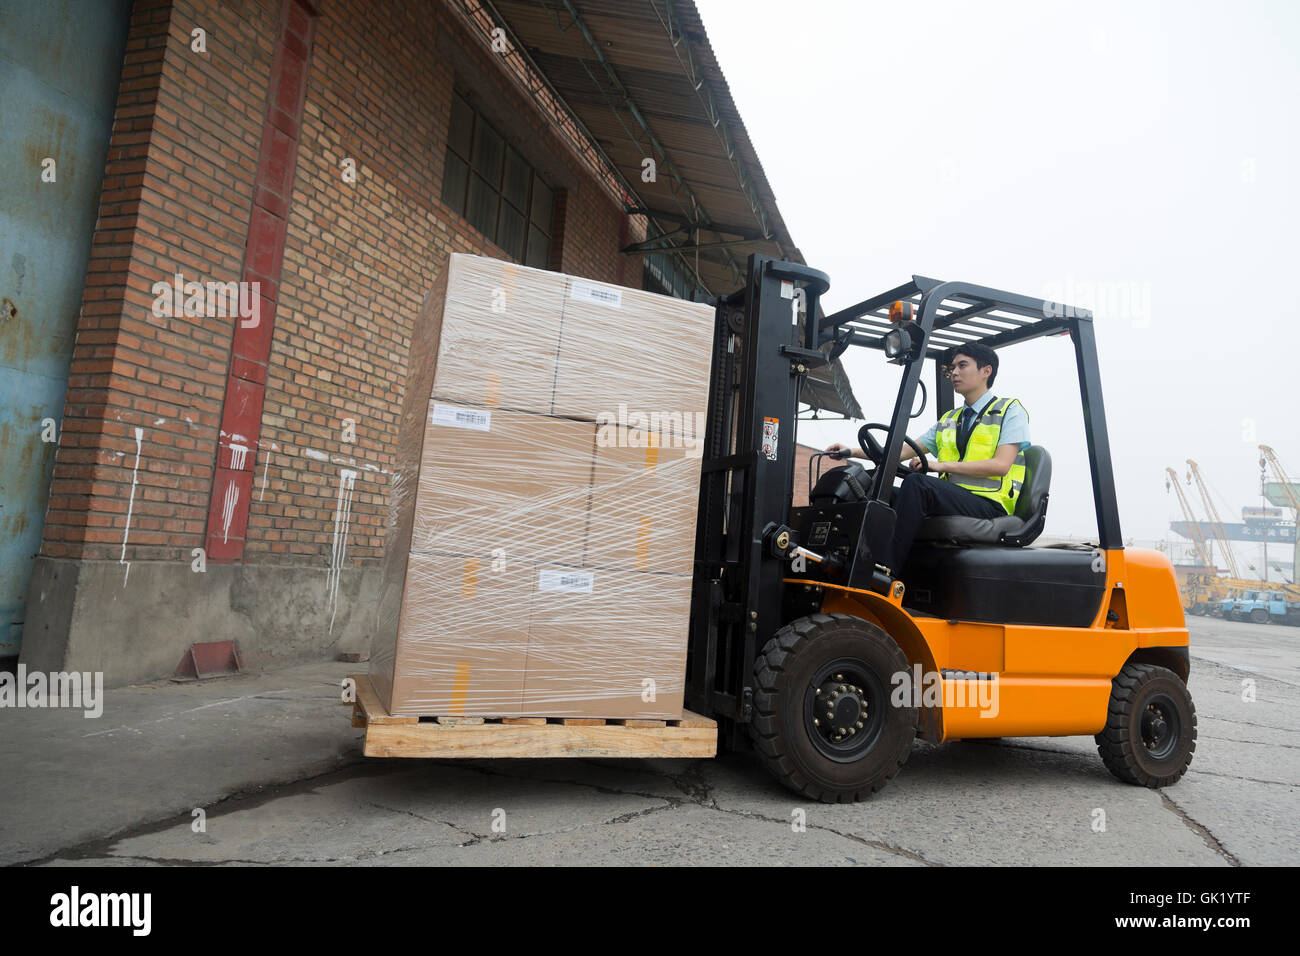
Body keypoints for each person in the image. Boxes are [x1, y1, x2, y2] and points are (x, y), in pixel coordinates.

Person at [825, 342, 1030, 577]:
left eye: (962, 366)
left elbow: (1001, 465)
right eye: (952, 367)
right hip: (952, 498)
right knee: (874, 484)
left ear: (986, 371)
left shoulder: (1010, 411)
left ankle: (883, 571)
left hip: (988, 505)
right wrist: (850, 452)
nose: (954, 372)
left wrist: (937, 465)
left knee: (917, 484)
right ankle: (846, 560)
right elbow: (901, 451)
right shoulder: (950, 419)